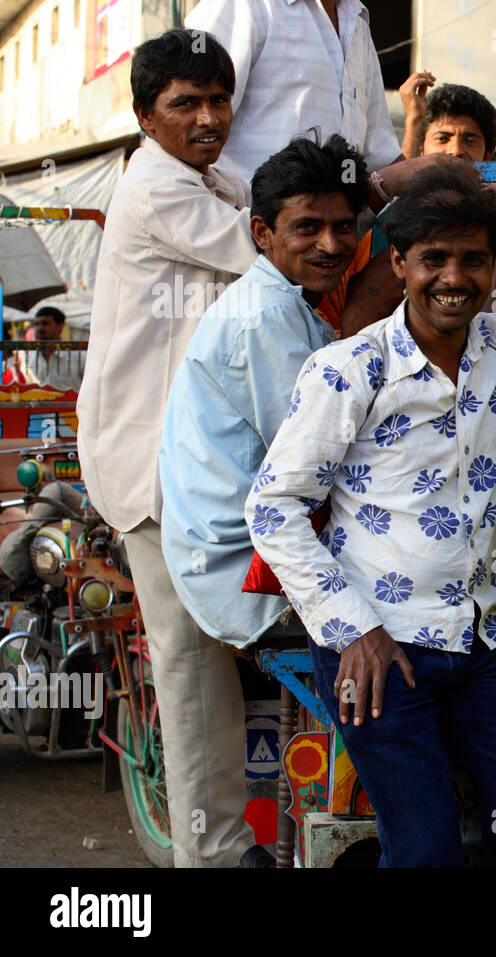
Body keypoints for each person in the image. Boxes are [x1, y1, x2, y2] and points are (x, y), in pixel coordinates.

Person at [242, 158, 496, 866]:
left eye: (473, 260)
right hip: (379, 650)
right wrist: (356, 633)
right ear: (399, 261)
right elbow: (274, 507)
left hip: (482, 642)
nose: (454, 278)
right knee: (424, 849)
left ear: (494, 265)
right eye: (434, 259)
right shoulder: (351, 369)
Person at [77, 28, 264, 868]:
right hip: (154, 466)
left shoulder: (214, 181)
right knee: (190, 668)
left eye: (218, 99)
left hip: (207, 465)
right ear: (146, 113)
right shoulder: (159, 189)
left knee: (228, 659)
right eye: (185, 103)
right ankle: (211, 856)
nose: (208, 116)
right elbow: (279, 251)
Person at [160, 134, 367, 650]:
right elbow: (324, 456)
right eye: (307, 228)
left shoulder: (283, 302)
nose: (331, 244)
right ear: (263, 232)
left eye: (344, 227)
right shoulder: (265, 316)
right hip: (247, 577)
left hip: (243, 558)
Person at [185, 0, 402, 185]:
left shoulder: (357, 22)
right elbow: (184, 121)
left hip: (336, 229)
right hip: (245, 225)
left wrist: (429, 178)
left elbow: (380, 155)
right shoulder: (243, 4)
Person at [21, 307, 85, 392]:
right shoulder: (28, 357)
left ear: (60, 326)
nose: (39, 328)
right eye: (37, 324)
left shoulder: (78, 356)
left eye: (45, 323)